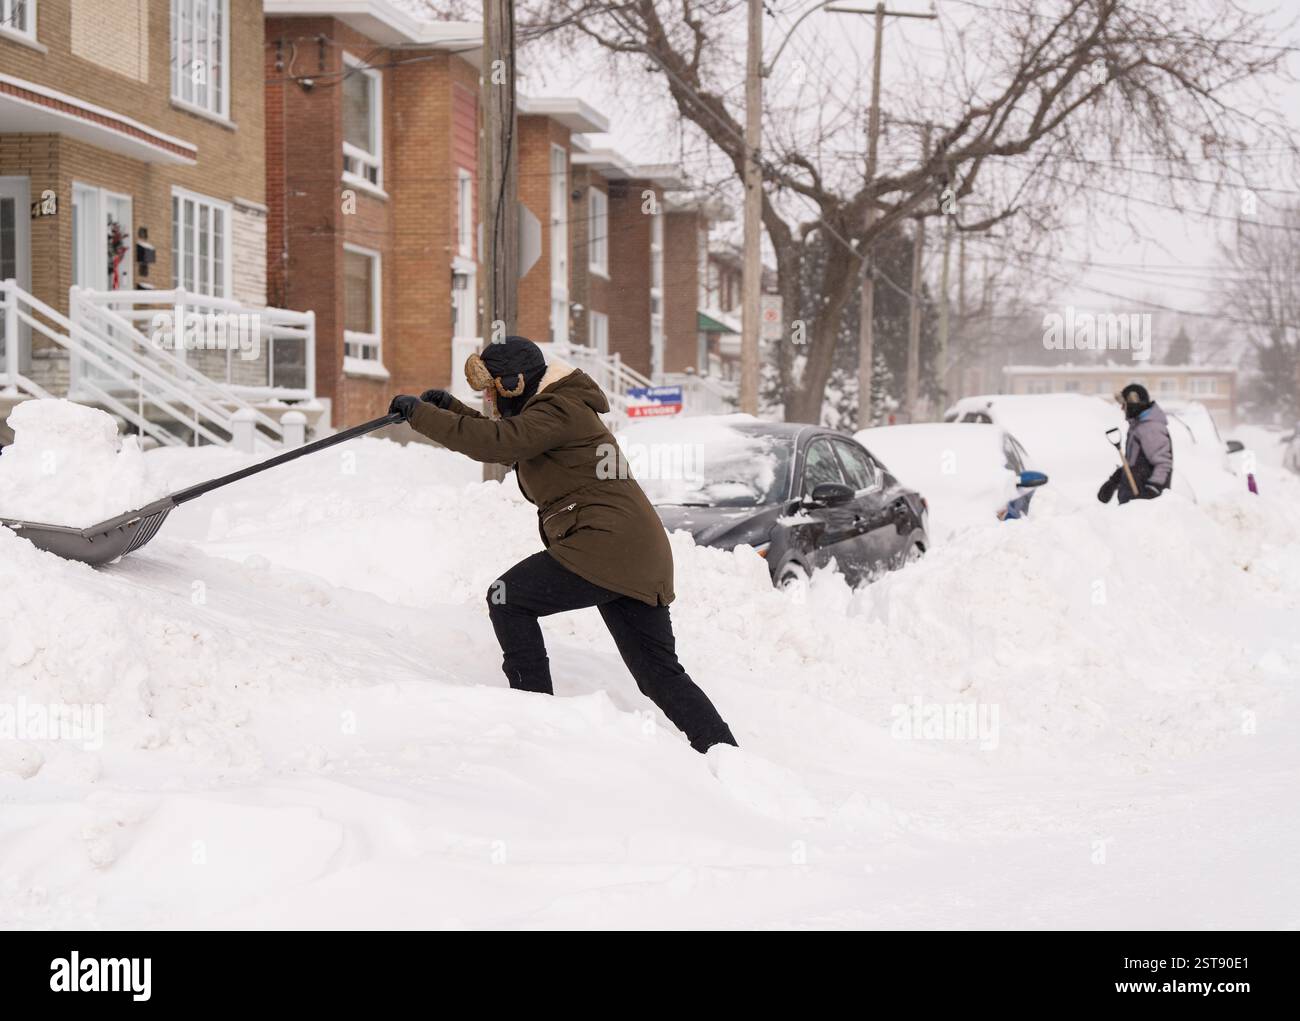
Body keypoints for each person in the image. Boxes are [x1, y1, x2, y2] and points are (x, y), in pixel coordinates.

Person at [388, 336, 737, 754]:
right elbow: (509, 441)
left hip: (607, 544)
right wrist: (449, 410)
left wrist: (422, 416)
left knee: (508, 599)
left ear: (515, 385)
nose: (487, 399)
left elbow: (499, 442)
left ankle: (535, 717)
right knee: (658, 674)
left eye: (491, 391)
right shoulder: (553, 410)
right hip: (636, 551)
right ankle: (726, 755)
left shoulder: (559, 409)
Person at [1097, 382, 1173, 504]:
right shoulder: (1138, 427)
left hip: (1144, 503)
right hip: (1132, 498)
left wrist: (1153, 489)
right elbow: (1134, 464)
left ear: (1134, 403)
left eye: (1124, 404)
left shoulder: (1151, 428)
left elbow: (1163, 464)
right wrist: (1114, 481)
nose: (1122, 408)